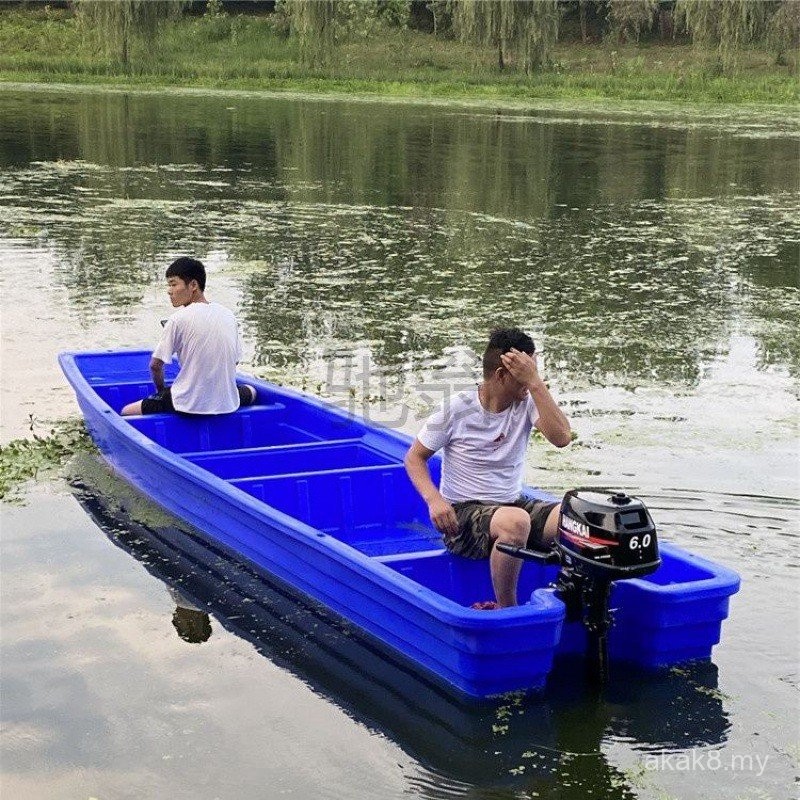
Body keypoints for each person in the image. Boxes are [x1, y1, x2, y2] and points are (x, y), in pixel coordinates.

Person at [404, 328, 571, 609]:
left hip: (511, 504)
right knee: (516, 522)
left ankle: (570, 596)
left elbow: (562, 438)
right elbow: (414, 458)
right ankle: (507, 609)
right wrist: (435, 501)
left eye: (533, 372)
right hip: (464, 515)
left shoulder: (528, 402)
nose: (530, 383)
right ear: (501, 375)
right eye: (525, 375)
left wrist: (535, 384)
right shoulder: (457, 408)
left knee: (574, 514)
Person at [121, 257, 256, 416]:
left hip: (188, 403)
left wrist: (161, 392)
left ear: (193, 285)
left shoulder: (178, 319)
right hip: (226, 403)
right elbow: (235, 360)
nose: (169, 291)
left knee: (126, 412)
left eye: (173, 284)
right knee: (252, 391)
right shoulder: (228, 315)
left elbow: (155, 366)